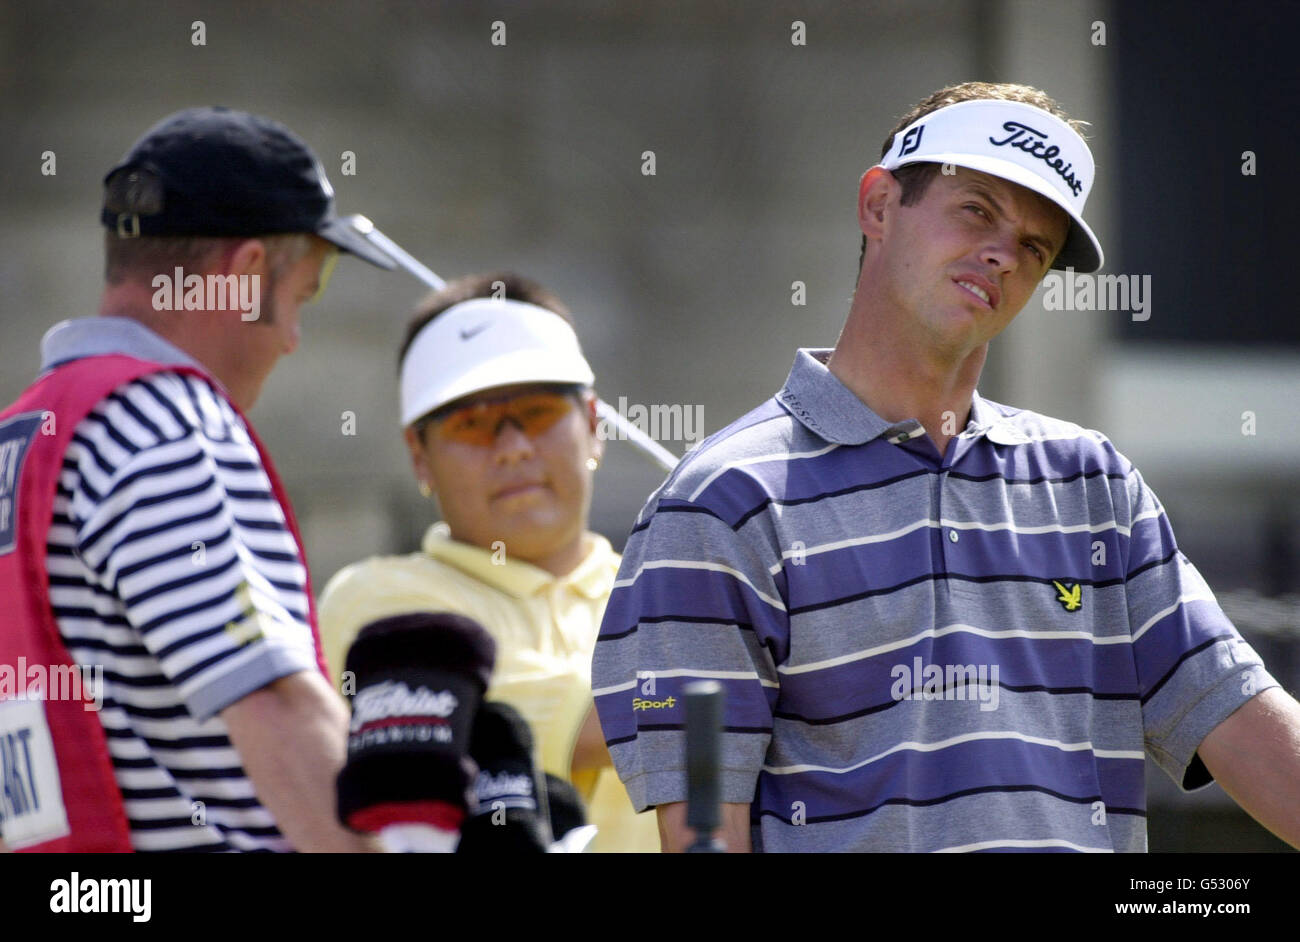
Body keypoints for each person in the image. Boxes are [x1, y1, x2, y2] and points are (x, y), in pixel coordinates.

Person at [591, 81, 1300, 853]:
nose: (1004, 253)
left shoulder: (1095, 489)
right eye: (977, 210)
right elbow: (702, 832)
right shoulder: (719, 504)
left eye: (1035, 246)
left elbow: (1246, 727)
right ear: (877, 205)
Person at [0, 106, 395, 852]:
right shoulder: (167, 424)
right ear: (245, 278)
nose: (293, 340)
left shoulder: (27, 436)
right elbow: (274, 702)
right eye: (300, 298)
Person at [318, 273, 660, 852]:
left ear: (594, 426)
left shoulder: (664, 590)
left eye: (538, 410)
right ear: (418, 457)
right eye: (470, 424)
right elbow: (601, 725)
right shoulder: (379, 602)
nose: (513, 447)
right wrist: (726, 685)